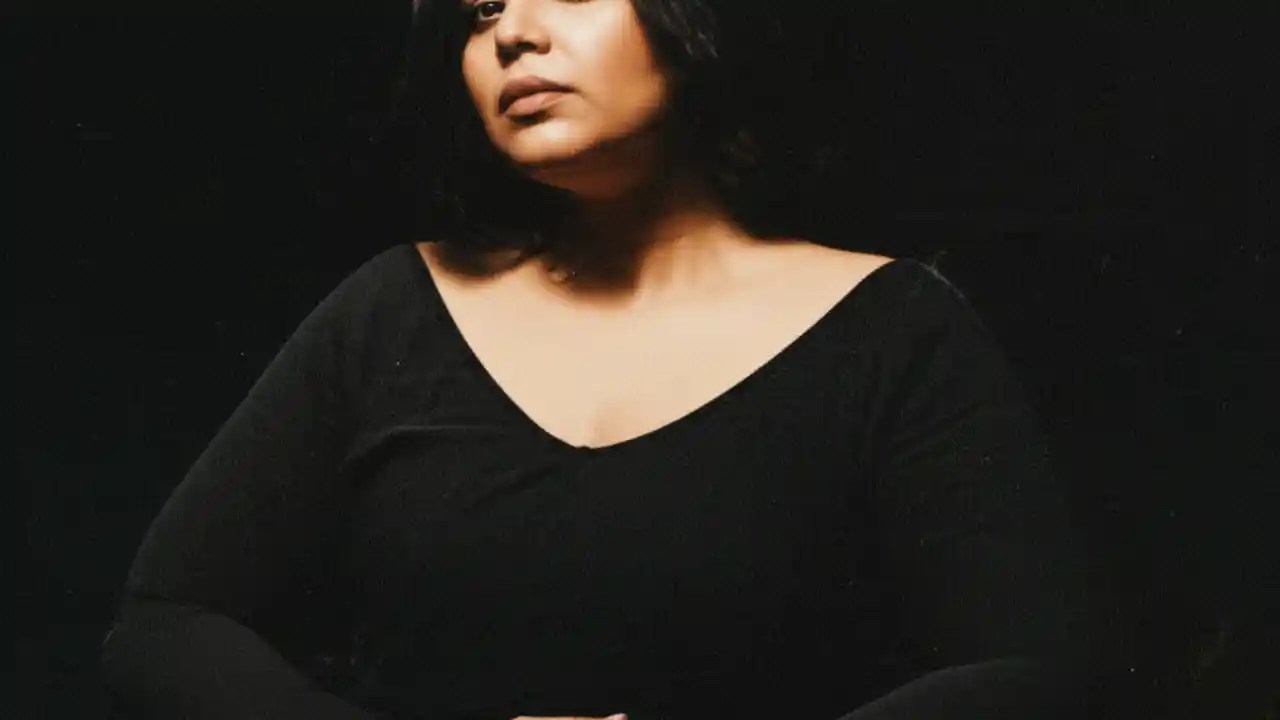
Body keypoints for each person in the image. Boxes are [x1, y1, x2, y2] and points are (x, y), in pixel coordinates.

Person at [99, 1, 1109, 718]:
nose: (512, 35)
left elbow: (1035, 667)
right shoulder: (390, 311)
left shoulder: (893, 329)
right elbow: (166, 622)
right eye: (479, 10)